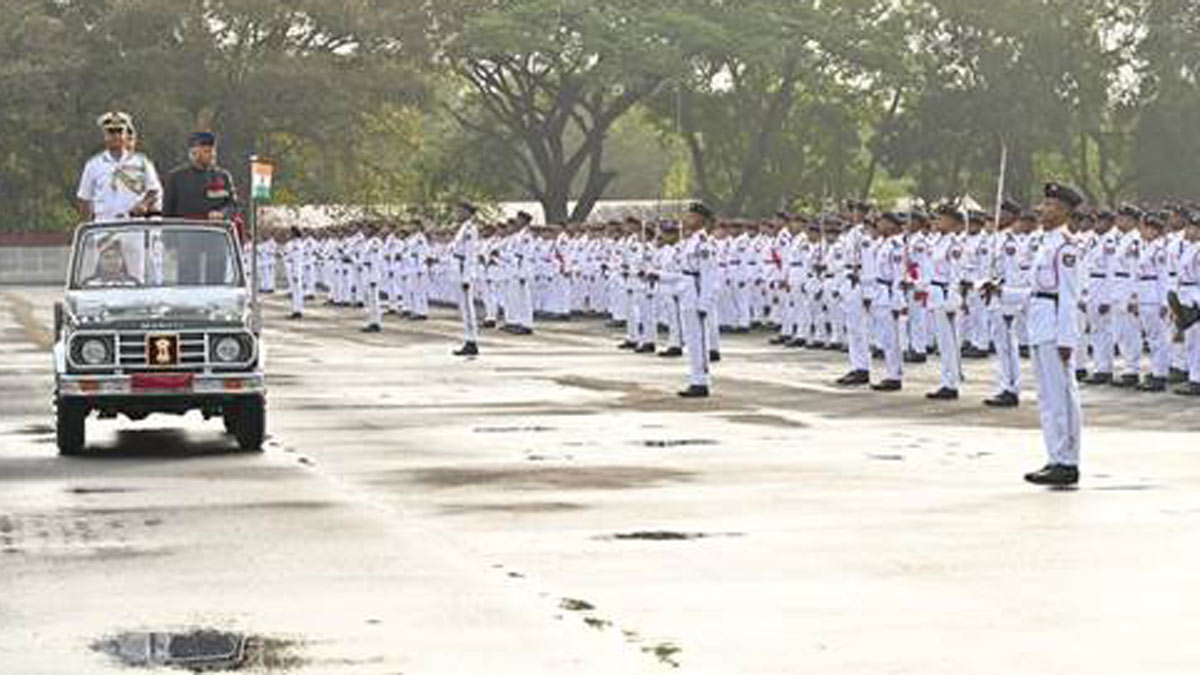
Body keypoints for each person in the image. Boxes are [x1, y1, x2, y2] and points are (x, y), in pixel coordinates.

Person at [986, 181, 1085, 487]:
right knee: (1046, 396)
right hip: (1040, 323)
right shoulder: (1046, 243)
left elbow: (1069, 296)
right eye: (1044, 204)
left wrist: (1068, 339)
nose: (1044, 209)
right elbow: (1034, 292)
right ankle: (1055, 456)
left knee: (1061, 396)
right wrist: (1002, 291)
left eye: (1052, 205)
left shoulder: (1067, 247)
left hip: (1056, 326)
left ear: (1066, 211)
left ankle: (1067, 461)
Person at [76, 111, 162, 222]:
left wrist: (143, 204)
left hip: (134, 226)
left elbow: (154, 190)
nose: (116, 136)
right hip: (105, 226)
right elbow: (84, 199)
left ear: (126, 134)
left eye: (120, 131)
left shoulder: (142, 162)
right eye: (111, 132)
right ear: (105, 135)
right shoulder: (93, 165)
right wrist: (86, 225)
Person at [163, 131, 239, 222]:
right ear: (194, 154)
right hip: (185, 231)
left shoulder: (223, 176)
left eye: (213, 151)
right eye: (207, 151)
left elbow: (233, 206)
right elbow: (167, 214)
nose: (212, 155)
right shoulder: (176, 178)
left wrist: (222, 213)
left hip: (214, 231)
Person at [452, 203, 483, 356]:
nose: (458, 213)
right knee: (464, 308)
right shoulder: (463, 227)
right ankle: (468, 339)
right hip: (459, 268)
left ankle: (472, 341)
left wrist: (467, 277)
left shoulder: (470, 228)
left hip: (465, 270)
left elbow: (470, 254)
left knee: (468, 308)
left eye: (460, 211)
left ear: (468, 212)